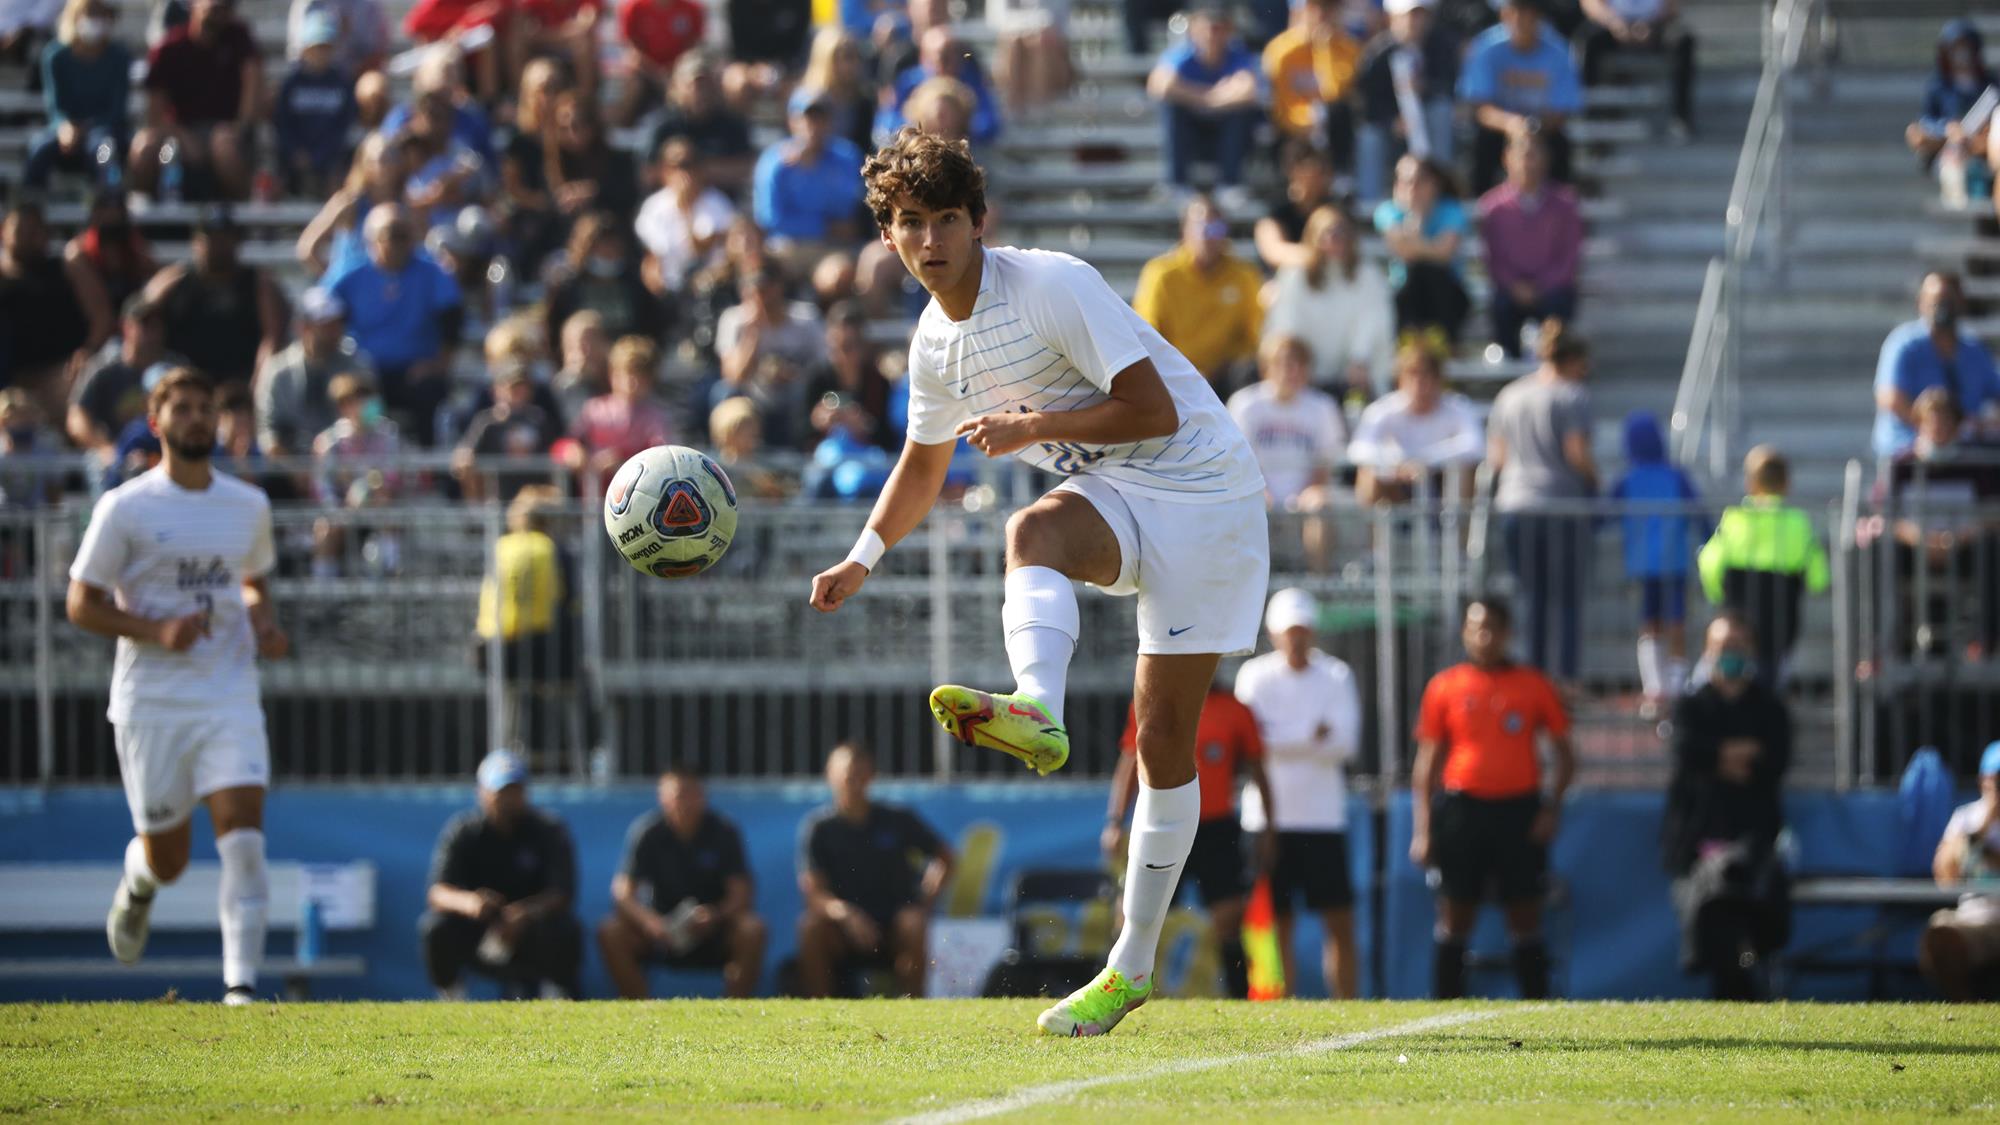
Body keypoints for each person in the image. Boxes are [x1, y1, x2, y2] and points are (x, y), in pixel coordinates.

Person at [809, 130, 1271, 1036]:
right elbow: (920, 461)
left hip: (1207, 489)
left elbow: (1156, 408)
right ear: (890, 237)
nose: (931, 237)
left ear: (980, 221)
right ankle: (1038, 709)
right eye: (910, 222)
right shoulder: (934, 344)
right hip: (1117, 489)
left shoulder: (1051, 284)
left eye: (947, 217)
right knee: (1033, 528)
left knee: (1166, 738)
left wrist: (1033, 427)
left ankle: (1130, 965)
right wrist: (863, 555)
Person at [67, 367, 288, 1006]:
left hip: (228, 691)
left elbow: (252, 582)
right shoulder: (125, 507)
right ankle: (138, 885)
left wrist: (263, 622)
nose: (196, 418)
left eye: (205, 408)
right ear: (157, 423)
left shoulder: (247, 504)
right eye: (182, 408)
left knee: (244, 837)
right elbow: (81, 603)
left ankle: (240, 992)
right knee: (170, 860)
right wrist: (156, 631)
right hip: (152, 701)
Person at [1411, 597, 1575, 999]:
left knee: (1524, 912)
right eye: (1474, 627)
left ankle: (1537, 1010)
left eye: (1491, 628)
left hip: (1519, 811)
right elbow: (1427, 764)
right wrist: (1423, 829)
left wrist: (1550, 806)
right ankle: (1444, 1011)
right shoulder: (1445, 686)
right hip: (1463, 810)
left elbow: (1566, 756)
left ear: (1506, 633)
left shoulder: (1533, 685)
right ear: (1465, 632)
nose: (1482, 636)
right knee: (1455, 911)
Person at [1105, 681, 1272, 999]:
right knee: (1132, 914)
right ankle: (1113, 993)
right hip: (1162, 823)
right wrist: (1115, 821)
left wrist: (1269, 827)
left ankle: (1241, 1001)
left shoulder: (1234, 709)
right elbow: (1130, 760)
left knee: (1228, 921)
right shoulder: (1150, 701)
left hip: (1214, 830)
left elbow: (1258, 769)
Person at [1231, 587, 1360, 998]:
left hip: (1323, 819)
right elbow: (1250, 744)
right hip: (1267, 821)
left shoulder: (1336, 674)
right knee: (1275, 919)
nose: (1297, 638)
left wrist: (1279, 737)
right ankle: (1277, 1003)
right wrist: (1311, 733)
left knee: (1338, 919)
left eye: (1304, 630)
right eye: (1290, 631)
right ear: (1274, 633)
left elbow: (1346, 743)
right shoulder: (1254, 675)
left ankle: (1347, 1005)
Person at [1663, 613, 1792, 1000]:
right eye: (1723, 647)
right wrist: (1735, 753)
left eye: (1738, 647)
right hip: (1697, 836)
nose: (1730, 655)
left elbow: (1774, 761)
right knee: (1710, 910)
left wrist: (1715, 756)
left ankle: (1747, 989)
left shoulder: (1768, 706)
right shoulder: (1691, 705)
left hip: (1753, 834)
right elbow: (1687, 752)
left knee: (1749, 914)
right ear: (1708, 651)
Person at [422, 750, 583, 1000]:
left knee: (566, 929)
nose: (508, 799)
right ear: (482, 793)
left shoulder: (548, 829)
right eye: (500, 792)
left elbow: (562, 892)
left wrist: (523, 914)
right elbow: (438, 891)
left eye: (514, 790)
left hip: (533, 928)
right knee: (436, 927)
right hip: (478, 927)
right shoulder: (464, 831)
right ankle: (451, 994)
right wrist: (471, 903)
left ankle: (558, 993)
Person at [796, 743, 953, 998]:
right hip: (842, 930)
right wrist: (846, 914)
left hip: (894, 925)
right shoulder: (819, 828)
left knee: (913, 922)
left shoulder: (897, 819)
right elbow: (814, 894)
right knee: (809, 926)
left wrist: (924, 902)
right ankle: (819, 1008)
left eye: (862, 774)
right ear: (830, 776)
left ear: (872, 776)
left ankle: (914, 1009)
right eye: (848, 776)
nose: (855, 782)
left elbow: (946, 858)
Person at [1489, 319, 1598, 683]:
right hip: (1560, 506)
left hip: (1515, 504)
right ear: (1574, 360)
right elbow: (1577, 453)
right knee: (1565, 599)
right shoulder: (1572, 395)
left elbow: (1498, 460)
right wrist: (1596, 482)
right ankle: (1564, 681)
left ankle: (1532, 680)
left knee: (1530, 598)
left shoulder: (1509, 395)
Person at [600, 768, 766, 999]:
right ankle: (638, 1007)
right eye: (679, 795)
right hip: (661, 933)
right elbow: (622, 892)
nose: (686, 803)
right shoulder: (648, 832)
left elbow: (741, 892)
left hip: (714, 931)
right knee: (611, 931)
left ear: (704, 797)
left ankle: (735, 1008)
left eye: (693, 794)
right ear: (663, 798)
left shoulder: (724, 831)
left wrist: (714, 915)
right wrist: (651, 923)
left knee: (752, 929)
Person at [1865, 388, 2000, 660]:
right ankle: (1881, 646)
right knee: (1878, 550)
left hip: (1964, 548)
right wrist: (1921, 539)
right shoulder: (1900, 465)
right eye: (1931, 422)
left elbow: (1993, 515)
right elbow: (1882, 517)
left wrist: (1957, 538)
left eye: (1946, 422)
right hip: (1914, 549)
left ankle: (1986, 644)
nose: (1938, 429)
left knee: (1991, 550)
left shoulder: (1978, 466)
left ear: (1958, 425)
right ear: (1919, 424)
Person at [326, 206, 465, 444]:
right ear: (372, 239)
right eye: (393, 235)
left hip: (414, 372)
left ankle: (427, 470)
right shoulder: (352, 274)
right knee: (348, 393)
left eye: (405, 234)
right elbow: (325, 313)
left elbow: (453, 318)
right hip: (366, 373)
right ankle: (355, 464)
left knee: (430, 391)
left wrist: (438, 364)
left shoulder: (431, 272)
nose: (400, 242)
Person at [1697, 446, 1828, 691]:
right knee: (1769, 690)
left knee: (1714, 681)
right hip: (1779, 626)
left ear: (1750, 482)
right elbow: (1819, 578)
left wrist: (1719, 596)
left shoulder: (1734, 519)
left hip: (1736, 623)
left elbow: (1708, 563)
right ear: (1786, 483)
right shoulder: (1798, 523)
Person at [1609, 410, 1704, 714]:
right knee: (1675, 622)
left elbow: (1601, 513)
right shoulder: (1676, 476)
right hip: (1673, 562)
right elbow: (1700, 515)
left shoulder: (1628, 479)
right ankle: (1673, 687)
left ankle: (1656, 688)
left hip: (1643, 566)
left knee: (1650, 624)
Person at [1229, 336, 1346, 570]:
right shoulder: (1245, 404)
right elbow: (1239, 459)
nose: (1290, 371)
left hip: (1307, 492)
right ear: (1266, 368)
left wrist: (1306, 493)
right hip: (1256, 489)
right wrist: (1263, 492)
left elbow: (1325, 461)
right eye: (1282, 363)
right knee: (1252, 505)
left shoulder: (1322, 407)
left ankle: (1319, 584)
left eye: (1298, 364)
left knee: (1319, 505)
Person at [132, 0, 262, 201]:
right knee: (145, 146)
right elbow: (155, 118)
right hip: (178, 135)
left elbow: (252, 89)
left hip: (226, 134)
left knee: (223, 145)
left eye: (226, 8)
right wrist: (183, 137)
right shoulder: (169, 48)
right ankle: (138, 217)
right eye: (215, 8)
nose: (220, 14)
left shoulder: (240, 40)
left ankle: (240, 218)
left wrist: (239, 129)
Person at [144, 207, 287, 390]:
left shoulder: (258, 284)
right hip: (182, 383)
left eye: (225, 238)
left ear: (236, 242)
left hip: (238, 385)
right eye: (211, 239)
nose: (218, 246)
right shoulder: (173, 281)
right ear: (196, 242)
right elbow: (142, 319)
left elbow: (272, 338)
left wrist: (258, 383)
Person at [1132, 194, 1265, 389]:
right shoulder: (1161, 273)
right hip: (1171, 372)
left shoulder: (1244, 275)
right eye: (1199, 227)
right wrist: (1182, 368)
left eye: (1215, 229)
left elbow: (1253, 335)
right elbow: (1148, 331)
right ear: (1184, 231)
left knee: (1250, 370)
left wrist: (1219, 368)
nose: (1206, 236)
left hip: (1225, 375)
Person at [1261, 205, 1395, 396]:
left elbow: (1373, 321)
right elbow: (1286, 326)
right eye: (1327, 233)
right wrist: (1298, 366)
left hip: (1353, 375)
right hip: (1304, 375)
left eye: (1340, 233)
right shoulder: (1294, 275)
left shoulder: (1368, 276)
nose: (1334, 240)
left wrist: (1359, 359)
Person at [1478, 128, 1583, 358]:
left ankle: (1554, 362)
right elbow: (1492, 257)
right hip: (1510, 292)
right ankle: (1509, 362)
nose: (1528, 162)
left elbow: (1569, 257)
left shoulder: (1566, 204)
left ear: (1546, 159)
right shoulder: (1492, 206)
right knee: (1501, 307)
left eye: (1534, 154)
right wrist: (1515, 286)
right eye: (1522, 154)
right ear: (1507, 158)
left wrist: (1542, 286)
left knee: (1559, 305)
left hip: (1552, 291)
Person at [1872, 272, 2000, 458]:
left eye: (1948, 300)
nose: (1941, 308)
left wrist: (1982, 426)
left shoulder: (1974, 351)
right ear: (1921, 303)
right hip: (1908, 456)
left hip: (1964, 456)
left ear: (1961, 302)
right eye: (1935, 300)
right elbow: (1890, 398)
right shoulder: (1904, 344)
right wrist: (1933, 430)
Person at [1148, 4, 1264, 210]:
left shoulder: (1237, 55)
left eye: (1218, 29)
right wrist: (1209, 97)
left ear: (1229, 31)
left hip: (1227, 135)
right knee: (1172, 108)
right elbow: (1158, 85)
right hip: (1192, 135)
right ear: (1194, 30)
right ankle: (1177, 182)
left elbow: (1248, 89)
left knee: (1241, 113)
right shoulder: (1182, 54)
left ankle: (1230, 183)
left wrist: (1203, 98)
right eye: (1207, 28)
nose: (1212, 35)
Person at [1458, 0, 1580, 194]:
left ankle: (1560, 205)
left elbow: (1562, 110)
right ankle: (1481, 203)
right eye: (1513, 12)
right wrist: (1512, 124)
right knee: (1483, 143)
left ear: (1539, 17)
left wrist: (1533, 127)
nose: (1519, 20)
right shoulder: (1485, 47)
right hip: (1500, 129)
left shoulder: (1559, 51)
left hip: (1543, 128)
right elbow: (1480, 107)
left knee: (1559, 145)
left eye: (1527, 13)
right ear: (1503, 14)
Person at [1348, 341, 1484, 505]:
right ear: (1400, 379)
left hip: (1442, 483)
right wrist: (1395, 466)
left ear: (1438, 380)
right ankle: (1376, 531)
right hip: (1397, 485)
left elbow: (1475, 445)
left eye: (1426, 376)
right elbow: (1359, 449)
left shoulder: (1457, 407)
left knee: (1463, 471)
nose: (1419, 384)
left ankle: (1459, 530)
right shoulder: (1384, 409)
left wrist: (1426, 462)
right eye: (1412, 375)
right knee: (1368, 475)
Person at [1355, 0, 1459, 204]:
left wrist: (1425, 88)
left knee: (1441, 113)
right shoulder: (1376, 54)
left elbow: (1450, 87)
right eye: (1408, 16)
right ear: (1393, 19)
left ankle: (1441, 192)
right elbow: (1368, 103)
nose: (1413, 22)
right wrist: (1392, 121)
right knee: (1369, 137)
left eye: (1419, 15)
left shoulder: (1443, 46)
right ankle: (1369, 202)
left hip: (1428, 124)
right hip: (1392, 128)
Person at [1920, 742, 2000, 1002]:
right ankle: (1966, 1007)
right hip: (1976, 916)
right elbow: (1945, 877)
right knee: (1939, 937)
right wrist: (1982, 829)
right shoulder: (1966, 818)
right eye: (1997, 778)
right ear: (1983, 780)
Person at [0, 202, 93, 426]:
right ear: (4, 231)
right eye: (20, 231)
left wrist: (87, 350)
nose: (27, 238)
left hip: (59, 374)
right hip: (9, 380)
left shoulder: (67, 268)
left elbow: (101, 317)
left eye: (34, 231)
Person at [25, 0, 132, 190]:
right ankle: (32, 204)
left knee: (104, 149)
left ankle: (108, 204)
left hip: (104, 130)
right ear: (75, 16)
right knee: (39, 147)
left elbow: (116, 112)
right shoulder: (55, 56)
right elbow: (56, 107)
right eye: (91, 12)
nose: (97, 19)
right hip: (66, 131)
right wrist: (65, 127)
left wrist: (84, 128)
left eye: (102, 14)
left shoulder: (120, 57)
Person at [255, 287, 371, 459]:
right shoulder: (277, 370)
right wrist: (294, 471)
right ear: (303, 327)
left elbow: (371, 420)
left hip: (345, 461)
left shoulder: (358, 367)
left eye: (338, 323)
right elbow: (268, 430)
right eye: (325, 324)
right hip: (290, 464)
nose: (335, 330)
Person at [714, 267, 825, 445]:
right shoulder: (735, 320)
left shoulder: (806, 319)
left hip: (796, 397)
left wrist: (793, 374)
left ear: (779, 288)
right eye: (756, 292)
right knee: (724, 393)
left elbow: (824, 367)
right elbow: (734, 377)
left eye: (766, 290)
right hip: (755, 398)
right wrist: (753, 334)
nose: (762, 298)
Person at [753, 88, 867, 254]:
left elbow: (847, 210)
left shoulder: (847, 155)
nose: (814, 126)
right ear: (792, 121)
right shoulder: (774, 161)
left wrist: (813, 166)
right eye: (808, 119)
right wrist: (822, 226)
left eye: (821, 119)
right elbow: (769, 218)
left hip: (835, 246)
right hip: (788, 245)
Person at [1373, 154, 1471, 344]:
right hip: (1405, 294)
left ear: (1435, 183)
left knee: (1428, 271)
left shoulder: (1452, 210)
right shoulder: (1387, 211)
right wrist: (1415, 216)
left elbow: (1444, 254)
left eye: (1419, 181)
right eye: (1405, 182)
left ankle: (1445, 344)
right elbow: (1406, 252)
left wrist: (1416, 242)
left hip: (1445, 294)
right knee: (1416, 272)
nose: (1412, 188)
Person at [68, 295, 180, 459]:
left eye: (156, 325)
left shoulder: (174, 370)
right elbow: (76, 417)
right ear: (126, 327)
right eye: (144, 324)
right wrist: (106, 449)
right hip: (116, 460)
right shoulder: (104, 368)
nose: (151, 332)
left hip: (166, 456)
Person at [559, 335, 676, 485]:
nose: (631, 382)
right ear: (612, 375)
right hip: (592, 500)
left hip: (636, 498)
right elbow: (563, 444)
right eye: (627, 373)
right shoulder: (594, 410)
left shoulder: (656, 417)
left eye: (640, 375)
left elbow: (662, 458)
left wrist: (625, 464)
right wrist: (572, 451)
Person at [542, 213, 670, 347]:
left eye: (613, 246)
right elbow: (554, 331)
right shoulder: (567, 289)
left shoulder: (636, 286)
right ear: (585, 249)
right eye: (601, 247)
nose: (609, 253)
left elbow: (652, 328)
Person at [1577, 0, 1696, 141]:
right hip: (1611, 26)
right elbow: (1591, 4)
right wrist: (1614, 22)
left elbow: (1674, 6)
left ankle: (1680, 117)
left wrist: (1652, 25)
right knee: (1588, 40)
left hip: (1656, 26)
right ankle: (1589, 112)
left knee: (1683, 40)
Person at [1261, 0, 1361, 167]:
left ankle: (1340, 176)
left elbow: (1335, 94)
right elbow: (1278, 100)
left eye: (1329, 8)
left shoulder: (1347, 48)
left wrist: (1324, 49)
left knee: (1340, 112)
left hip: (1329, 128)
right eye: (1316, 7)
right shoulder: (1281, 49)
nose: (1322, 15)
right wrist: (1303, 122)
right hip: (1291, 127)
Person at [644, 51, 756, 195]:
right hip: (671, 203)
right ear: (678, 87)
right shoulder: (663, 126)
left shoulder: (732, 125)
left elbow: (744, 168)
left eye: (706, 85)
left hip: (721, 205)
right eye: (694, 85)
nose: (700, 92)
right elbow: (647, 174)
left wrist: (697, 170)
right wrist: (678, 171)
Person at [636, 139, 736, 297]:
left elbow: (699, 250)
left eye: (689, 165)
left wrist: (686, 209)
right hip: (670, 290)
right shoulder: (653, 207)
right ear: (664, 170)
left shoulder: (718, 203)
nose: (684, 173)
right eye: (676, 166)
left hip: (710, 287)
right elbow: (653, 257)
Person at [273, 9, 355, 198]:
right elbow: (283, 123)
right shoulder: (291, 84)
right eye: (316, 47)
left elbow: (342, 127)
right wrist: (296, 152)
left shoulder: (342, 84)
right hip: (293, 160)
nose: (321, 53)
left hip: (331, 158)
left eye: (326, 47)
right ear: (305, 49)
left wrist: (320, 155)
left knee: (339, 177)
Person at [876, 25, 1004, 147]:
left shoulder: (969, 81)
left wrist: (959, 127)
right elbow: (886, 124)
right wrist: (920, 127)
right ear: (923, 57)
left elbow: (989, 123)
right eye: (939, 56)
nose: (944, 63)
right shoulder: (908, 82)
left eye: (950, 55)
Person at [64, 191, 159, 354]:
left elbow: (154, 284)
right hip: (93, 338)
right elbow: (102, 319)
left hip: (130, 333)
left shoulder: (134, 247)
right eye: (104, 212)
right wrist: (89, 350)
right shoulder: (79, 253)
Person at [455, 363, 561, 502]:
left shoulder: (539, 419)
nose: (516, 392)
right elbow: (465, 454)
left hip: (534, 500)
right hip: (499, 499)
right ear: (496, 390)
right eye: (510, 387)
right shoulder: (487, 422)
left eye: (521, 386)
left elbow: (554, 453)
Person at [1907, 21, 1994, 184]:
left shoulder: (1990, 84)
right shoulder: (1938, 87)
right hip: (1950, 151)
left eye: (1965, 47)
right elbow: (1925, 120)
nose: (1961, 54)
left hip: (1985, 150)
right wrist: (1947, 128)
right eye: (1955, 47)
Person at [799, 302, 893, 451]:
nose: (843, 354)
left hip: (867, 460)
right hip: (822, 462)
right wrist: (817, 422)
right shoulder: (815, 378)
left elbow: (889, 440)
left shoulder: (878, 382)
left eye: (850, 345)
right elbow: (797, 435)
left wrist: (864, 426)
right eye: (838, 346)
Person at [614, 0, 706, 128]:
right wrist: (657, 75)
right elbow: (632, 52)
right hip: (645, 72)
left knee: (695, 84)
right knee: (633, 84)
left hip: (679, 71)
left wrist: (675, 73)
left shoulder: (693, 9)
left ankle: (694, 128)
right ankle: (623, 128)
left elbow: (693, 50)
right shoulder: (633, 8)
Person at [1252, 144, 1340, 271]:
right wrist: (1318, 257)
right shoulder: (1276, 208)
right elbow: (1273, 251)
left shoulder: (1335, 209)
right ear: (1292, 171)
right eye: (1310, 169)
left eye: (1323, 170)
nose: (1319, 177)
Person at [551, 310, 610, 427]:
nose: (583, 353)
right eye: (573, 346)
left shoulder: (621, 375)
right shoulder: (563, 386)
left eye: (588, 343)